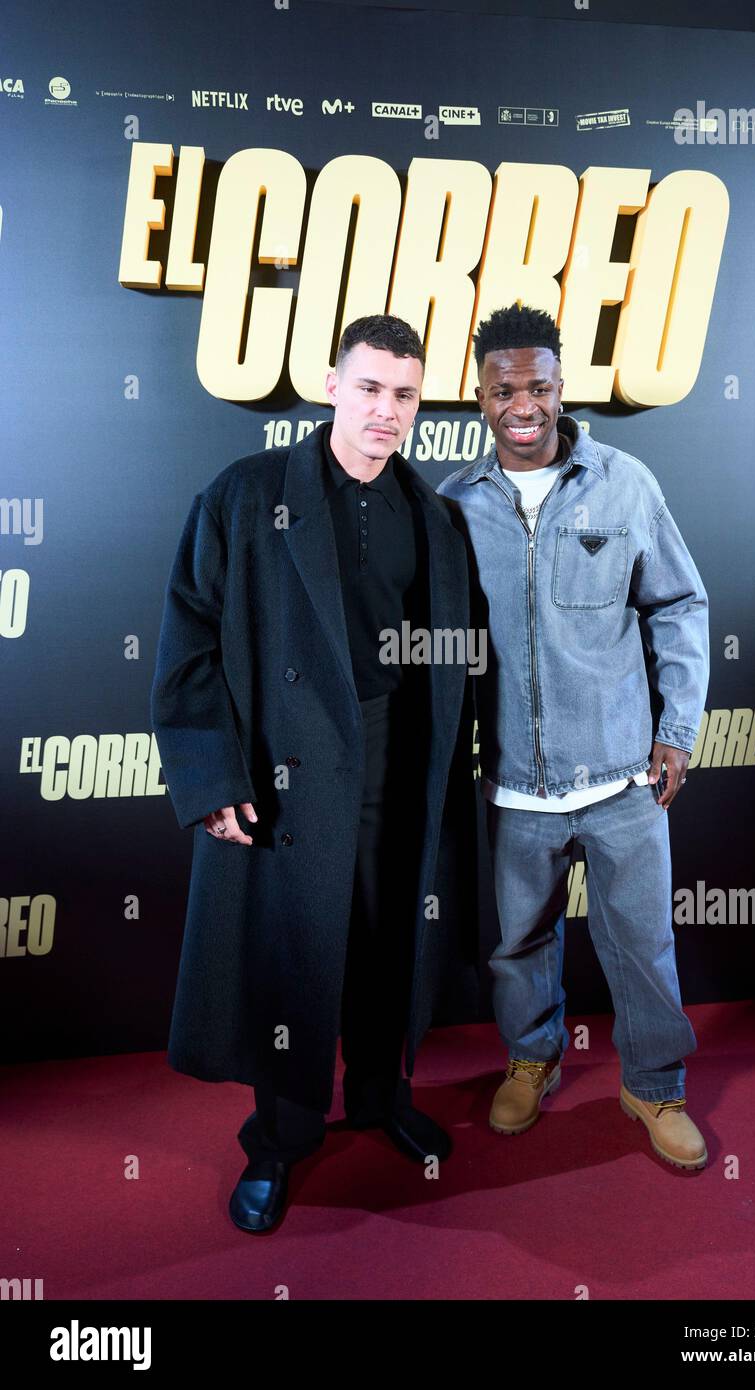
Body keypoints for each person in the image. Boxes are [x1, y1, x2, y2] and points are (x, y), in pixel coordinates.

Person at [151, 314, 477, 1233]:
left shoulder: (436, 516)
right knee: (296, 958)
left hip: (400, 762)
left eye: (405, 395)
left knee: (385, 945)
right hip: (289, 770)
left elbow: (453, 655)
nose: (386, 410)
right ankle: (281, 1141)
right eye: (369, 388)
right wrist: (210, 776)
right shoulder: (247, 496)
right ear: (333, 386)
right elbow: (188, 643)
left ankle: (379, 1098)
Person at [437, 303, 710, 1170]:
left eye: (540, 385)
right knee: (516, 945)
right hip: (512, 785)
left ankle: (654, 1086)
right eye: (505, 388)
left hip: (624, 776)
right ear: (479, 396)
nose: (525, 403)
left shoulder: (626, 482)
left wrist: (677, 728)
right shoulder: (452, 507)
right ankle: (534, 1057)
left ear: (563, 388)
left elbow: (677, 604)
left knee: (642, 945)